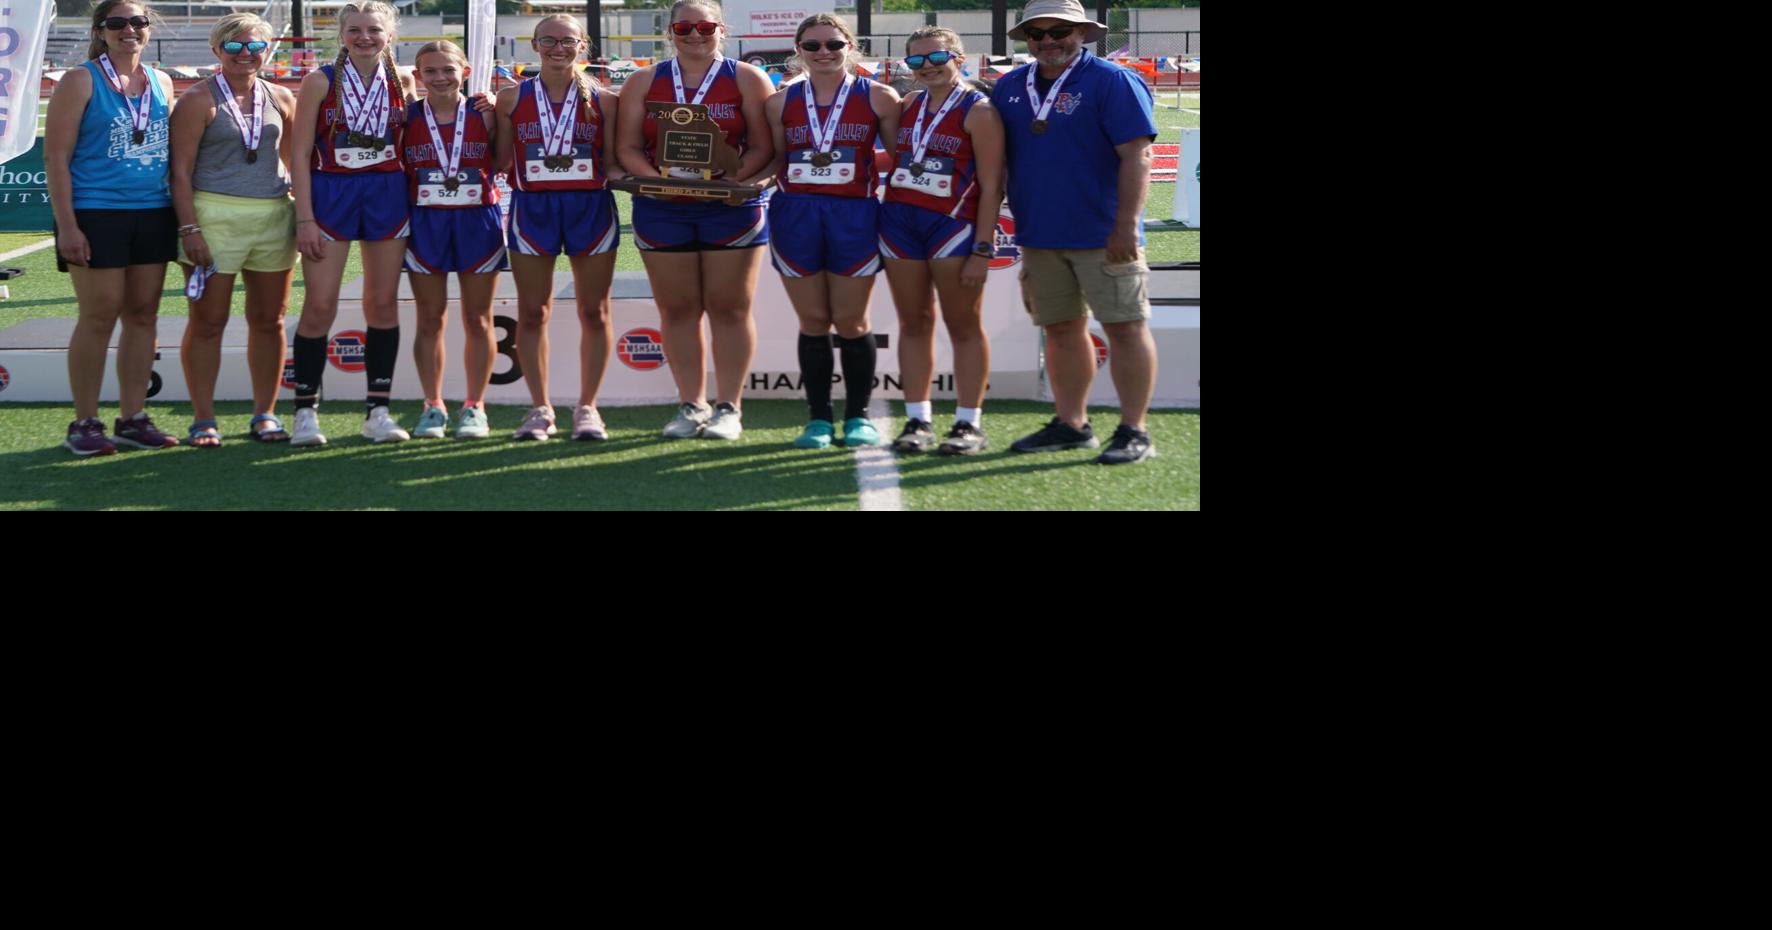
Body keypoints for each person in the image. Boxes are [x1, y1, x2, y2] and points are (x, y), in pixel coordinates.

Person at [992, 0, 1160, 465]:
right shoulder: (1009, 86)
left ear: (1082, 32)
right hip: (1038, 233)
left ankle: (1134, 429)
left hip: (1104, 233)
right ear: (1027, 40)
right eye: (1037, 33)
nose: (1048, 41)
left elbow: (1137, 156)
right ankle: (1071, 424)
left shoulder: (1112, 79)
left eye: (1059, 30)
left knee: (1124, 328)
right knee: (1061, 330)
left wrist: (1125, 227)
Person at [616, 0, 776, 441]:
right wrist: (657, 182)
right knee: (678, 309)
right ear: (670, 31)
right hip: (663, 207)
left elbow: (763, 146)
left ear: (721, 30)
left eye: (704, 27)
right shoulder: (643, 80)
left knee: (730, 308)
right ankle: (691, 404)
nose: (694, 35)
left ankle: (729, 407)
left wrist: (731, 180)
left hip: (729, 206)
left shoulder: (747, 77)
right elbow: (627, 147)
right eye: (684, 27)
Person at [43, 1, 180, 455]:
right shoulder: (80, 80)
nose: (129, 30)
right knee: (99, 316)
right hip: (96, 211)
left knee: (142, 316)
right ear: (100, 31)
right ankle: (84, 422)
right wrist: (67, 226)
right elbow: (55, 158)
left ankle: (133, 418)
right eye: (117, 23)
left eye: (138, 22)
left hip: (153, 210)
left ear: (148, 29)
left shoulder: (161, 81)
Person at [765, 13, 899, 449]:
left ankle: (858, 416)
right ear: (798, 50)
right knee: (813, 320)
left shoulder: (880, 97)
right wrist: (734, 182)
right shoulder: (779, 102)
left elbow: (899, 155)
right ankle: (819, 419)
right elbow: (776, 161)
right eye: (812, 45)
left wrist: (858, 163)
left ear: (850, 47)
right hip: (796, 213)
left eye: (833, 44)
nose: (823, 52)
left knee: (852, 320)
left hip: (854, 213)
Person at [287, 0, 416, 446]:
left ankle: (378, 412)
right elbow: (299, 154)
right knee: (320, 305)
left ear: (389, 36)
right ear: (341, 34)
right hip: (331, 194)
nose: (365, 37)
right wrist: (305, 217)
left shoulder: (403, 80)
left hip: (387, 193)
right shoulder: (319, 80)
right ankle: (305, 413)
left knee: (382, 304)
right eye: (355, 30)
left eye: (374, 30)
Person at [169, 12, 299, 447]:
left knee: (270, 320)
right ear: (217, 50)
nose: (246, 54)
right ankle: (203, 419)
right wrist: (189, 228)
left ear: (268, 50)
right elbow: (179, 172)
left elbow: (295, 161)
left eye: (255, 46)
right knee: (208, 322)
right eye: (234, 46)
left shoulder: (281, 96)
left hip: (273, 216)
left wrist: (304, 215)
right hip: (213, 218)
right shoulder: (197, 99)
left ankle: (265, 414)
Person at [494, 15, 623, 441]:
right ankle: (540, 409)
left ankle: (588, 408)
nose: (558, 48)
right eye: (548, 40)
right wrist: (477, 115)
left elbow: (613, 163)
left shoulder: (606, 101)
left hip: (590, 208)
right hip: (533, 208)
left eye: (568, 41)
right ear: (534, 45)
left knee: (595, 310)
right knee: (533, 311)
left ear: (583, 46)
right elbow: (500, 161)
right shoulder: (510, 98)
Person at [879, 26, 1003, 456]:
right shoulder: (909, 104)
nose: (927, 66)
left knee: (963, 324)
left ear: (959, 59)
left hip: (952, 227)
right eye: (916, 60)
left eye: (936, 58)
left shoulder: (979, 111)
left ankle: (969, 423)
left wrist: (982, 248)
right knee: (913, 323)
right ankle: (918, 419)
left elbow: (992, 186)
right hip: (899, 223)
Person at [404, 40, 505, 439]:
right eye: (430, 71)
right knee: (430, 318)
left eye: (448, 70)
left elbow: (503, 160)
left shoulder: (487, 113)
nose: (440, 77)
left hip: (477, 219)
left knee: (478, 318)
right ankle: (433, 405)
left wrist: (496, 109)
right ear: (418, 76)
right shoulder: (406, 116)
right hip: (425, 220)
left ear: (465, 72)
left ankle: (475, 406)